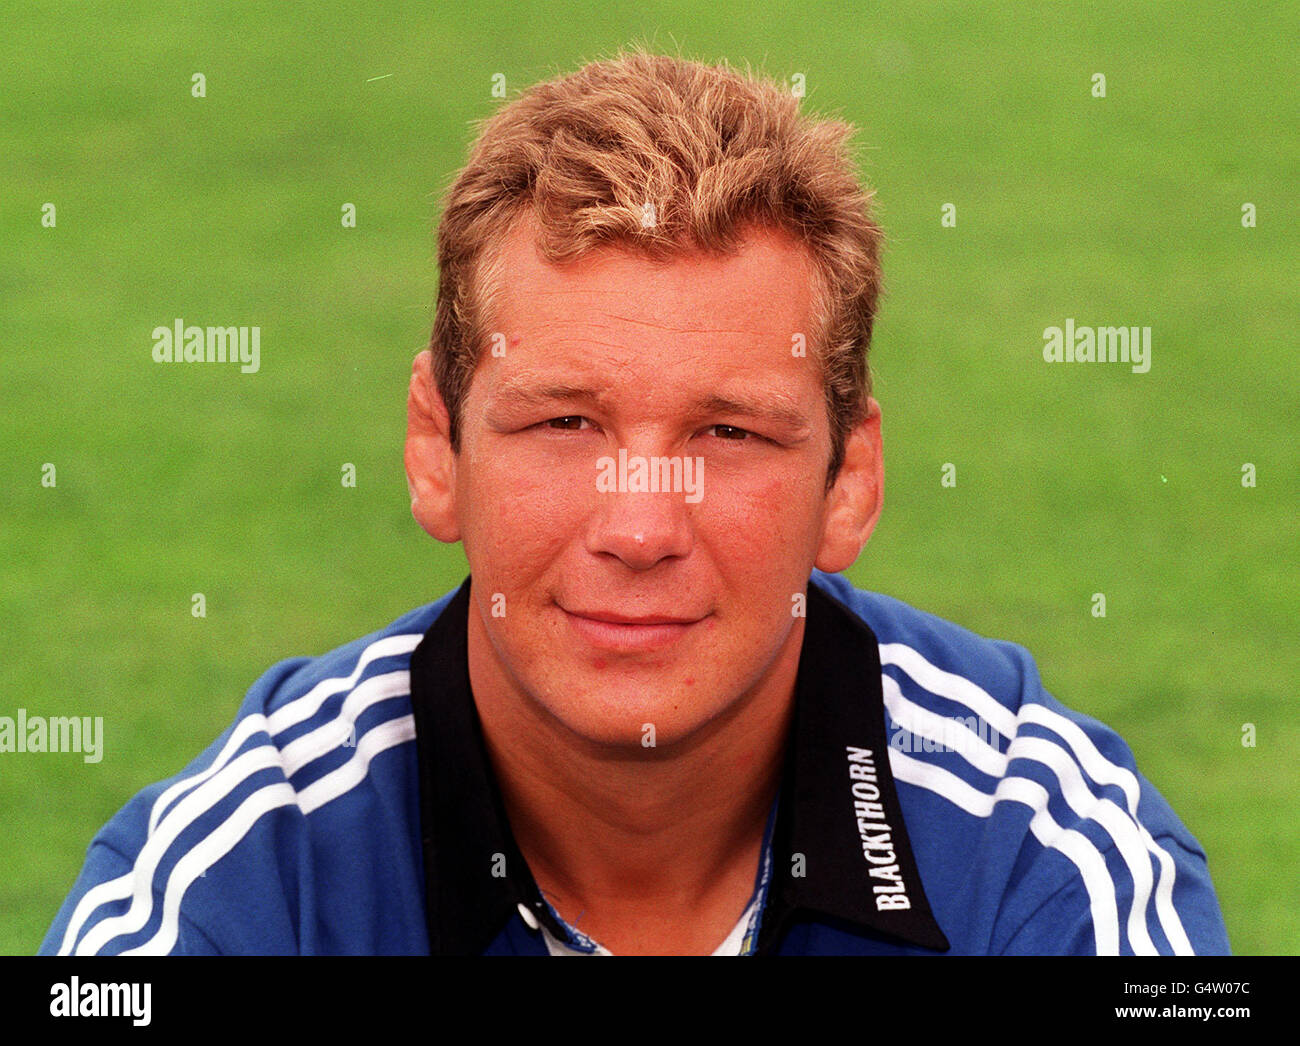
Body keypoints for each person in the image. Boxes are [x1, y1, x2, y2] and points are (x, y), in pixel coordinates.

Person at [41, 49, 1229, 956]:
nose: (640, 525)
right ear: (434, 446)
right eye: (564, 424)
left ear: (848, 477)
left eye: (728, 433)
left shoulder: (1044, 855)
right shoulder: (241, 887)